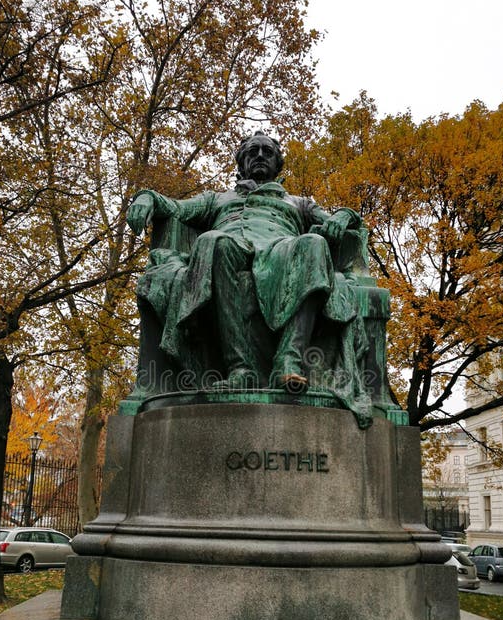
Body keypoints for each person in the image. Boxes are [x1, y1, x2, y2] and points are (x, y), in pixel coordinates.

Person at [126, 131, 375, 424]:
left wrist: (344, 215)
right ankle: (239, 368)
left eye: (267, 152)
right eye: (252, 152)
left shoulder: (298, 203)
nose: (259, 156)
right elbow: (176, 208)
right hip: (229, 248)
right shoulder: (217, 199)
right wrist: (146, 196)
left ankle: (289, 360)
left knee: (314, 244)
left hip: (280, 252)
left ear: (277, 164)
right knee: (213, 242)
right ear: (241, 162)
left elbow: (338, 219)